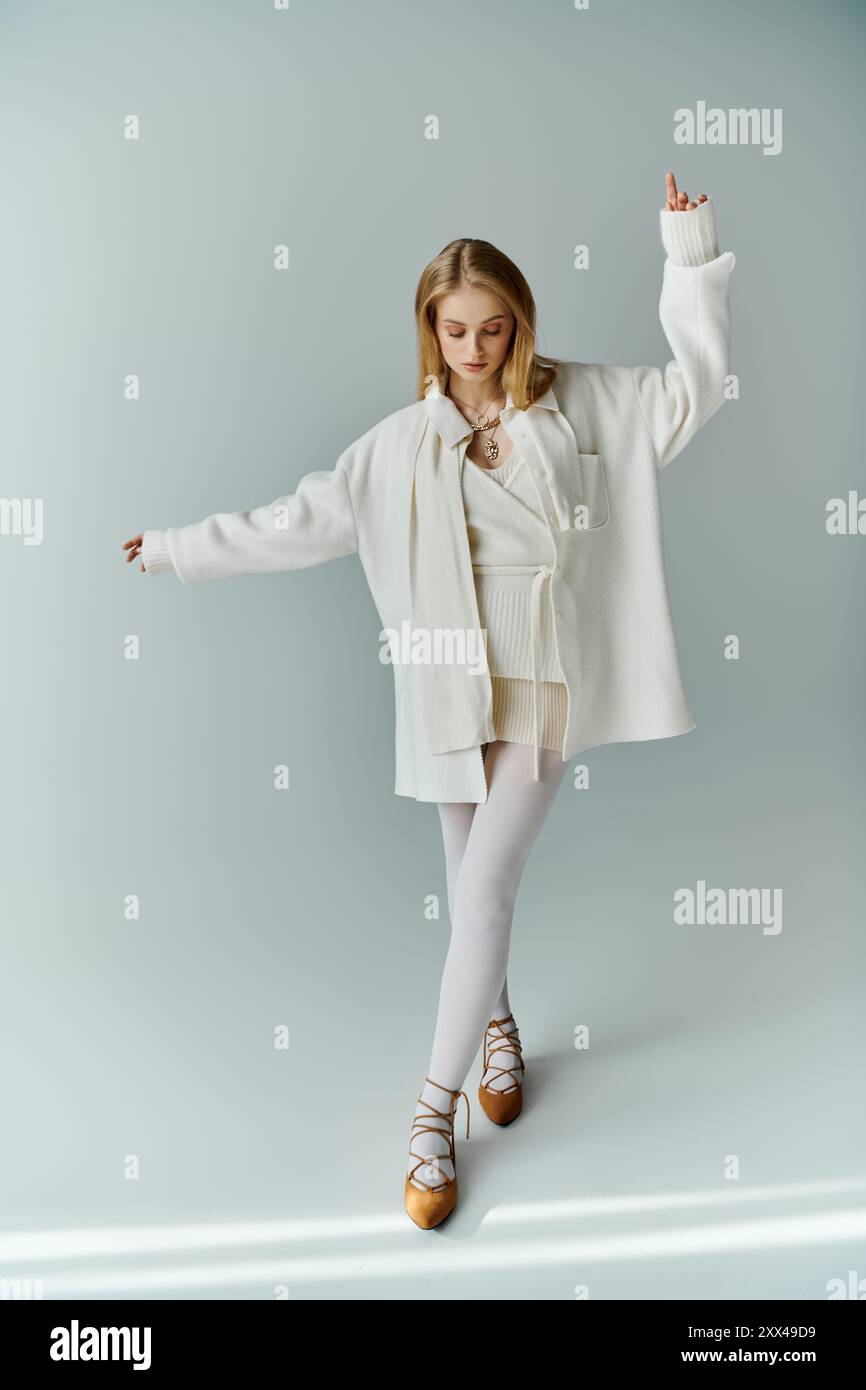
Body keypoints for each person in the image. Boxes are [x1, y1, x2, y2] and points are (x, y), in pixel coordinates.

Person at [123, 172, 734, 1230]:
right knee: (469, 900)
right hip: (446, 684)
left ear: (516, 323)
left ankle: (429, 1117)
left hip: (541, 676)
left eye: (493, 327)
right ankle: (498, 1030)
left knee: (485, 890)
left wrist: (686, 255)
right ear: (430, 326)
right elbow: (293, 520)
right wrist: (177, 548)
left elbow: (691, 394)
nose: (474, 346)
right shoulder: (398, 445)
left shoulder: (575, 400)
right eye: (454, 328)